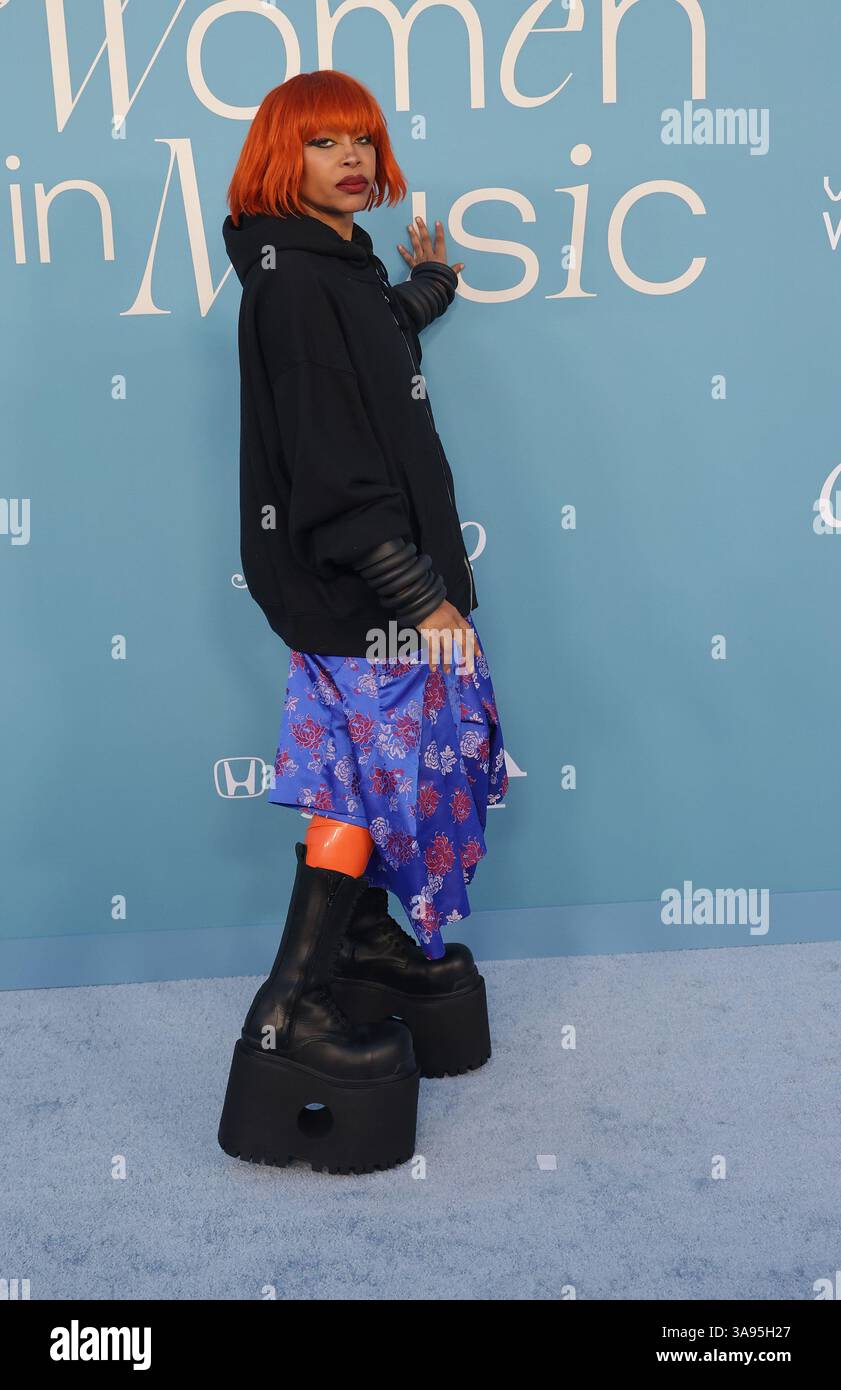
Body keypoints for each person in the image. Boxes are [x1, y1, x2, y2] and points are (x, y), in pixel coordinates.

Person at [217, 70, 508, 1175]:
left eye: (361, 139)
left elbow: (379, 338)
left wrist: (429, 281)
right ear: (279, 159)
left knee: (366, 775)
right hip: (362, 593)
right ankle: (291, 1010)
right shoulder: (295, 283)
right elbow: (337, 473)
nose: (347, 156)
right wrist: (420, 595)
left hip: (351, 590)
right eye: (320, 140)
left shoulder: (327, 268)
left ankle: (367, 945)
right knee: (363, 784)